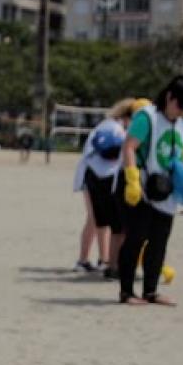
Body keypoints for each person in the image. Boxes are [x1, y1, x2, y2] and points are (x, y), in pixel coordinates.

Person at [116, 76, 183, 306]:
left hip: (166, 190)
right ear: (169, 97)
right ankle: (126, 291)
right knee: (136, 238)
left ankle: (151, 291)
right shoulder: (147, 117)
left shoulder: (179, 124)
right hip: (142, 187)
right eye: (179, 105)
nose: (182, 112)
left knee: (159, 241)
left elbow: (177, 151)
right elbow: (129, 146)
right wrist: (132, 178)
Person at [73, 99, 138, 274]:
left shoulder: (105, 126)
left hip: (90, 175)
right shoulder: (116, 130)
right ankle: (90, 259)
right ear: (127, 116)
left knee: (96, 220)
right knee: (98, 220)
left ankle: (100, 258)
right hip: (99, 177)